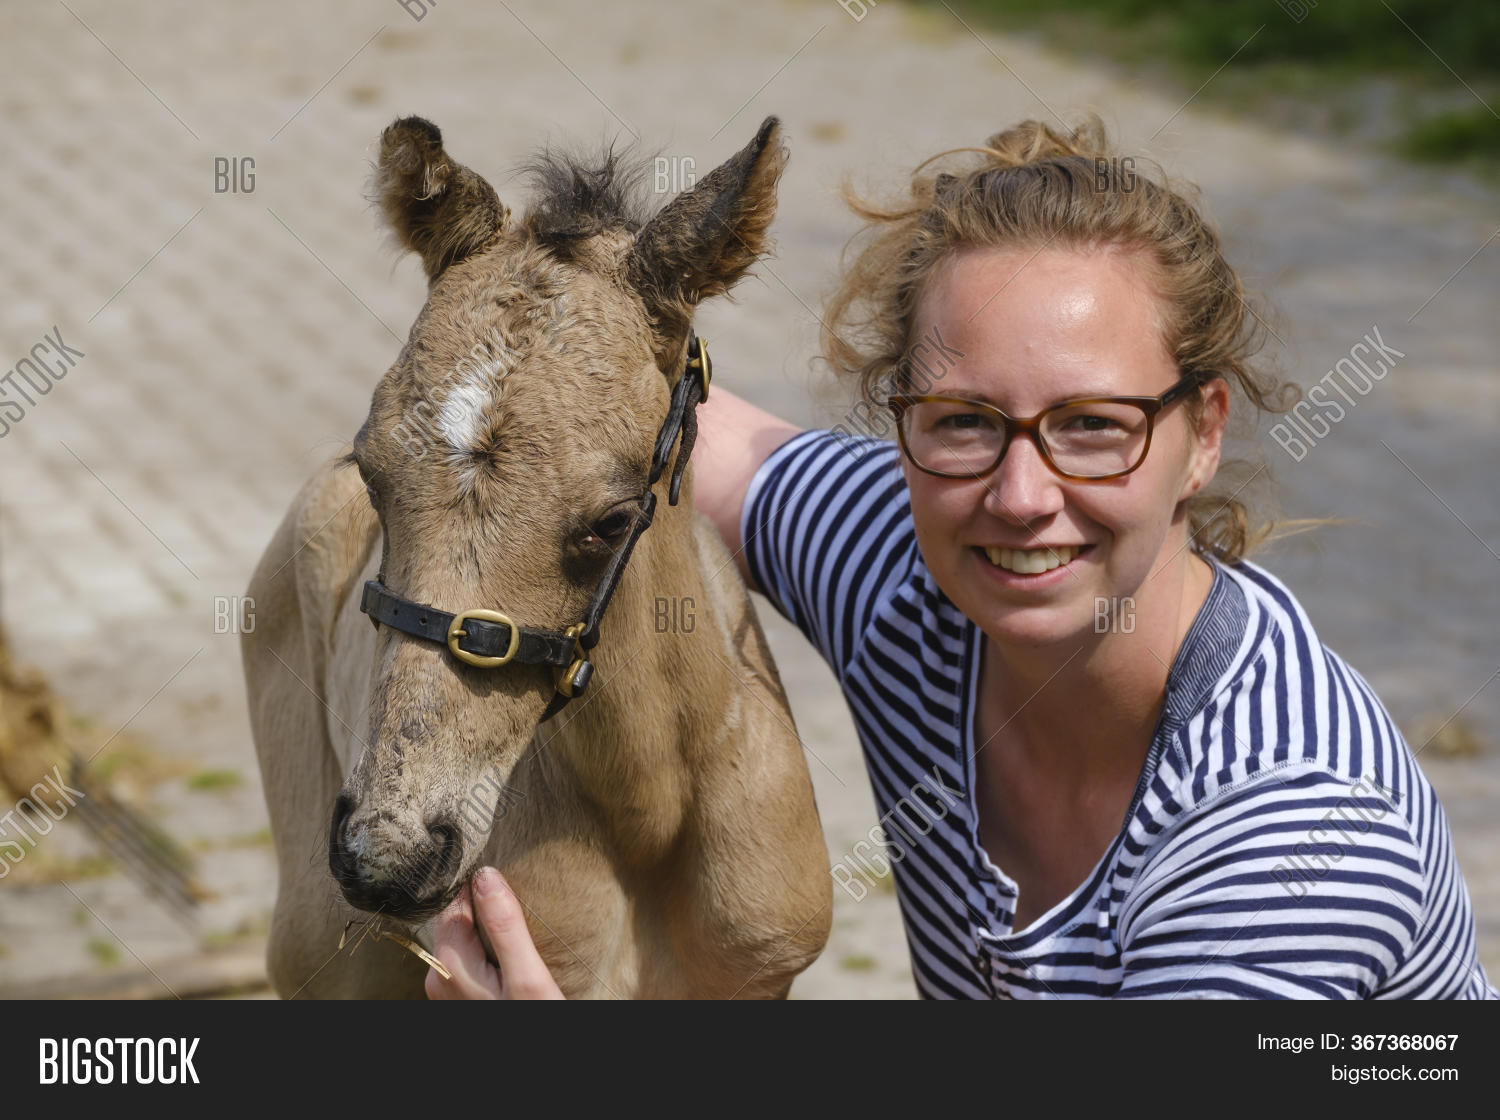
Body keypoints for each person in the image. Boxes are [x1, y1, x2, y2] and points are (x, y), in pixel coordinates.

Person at [427, 115, 1496, 1000]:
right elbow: (635, 437)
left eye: (1092, 425)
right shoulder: (902, 568)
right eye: (964, 419)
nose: (1021, 499)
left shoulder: (1285, 844)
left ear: (1202, 432)